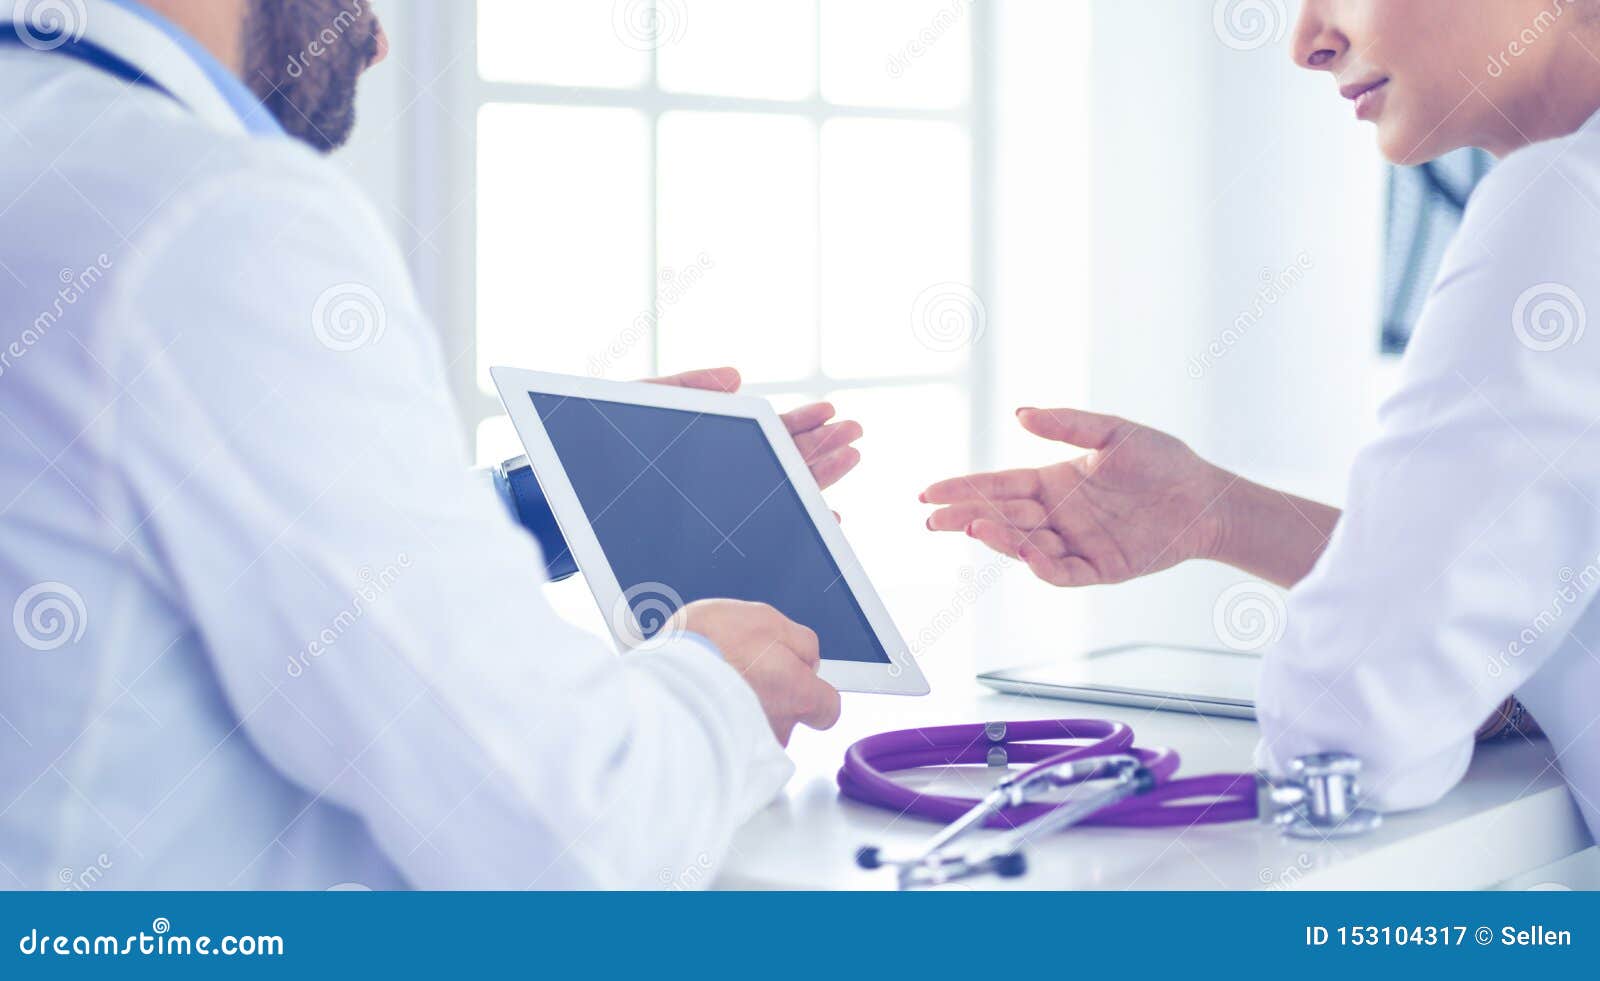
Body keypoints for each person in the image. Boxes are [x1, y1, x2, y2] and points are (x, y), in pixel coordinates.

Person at [0, 0, 861, 889]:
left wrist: (543, 503)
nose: (371, 41)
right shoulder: (210, 211)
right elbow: (566, 834)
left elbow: (171, 554)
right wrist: (720, 686)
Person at [924, 0, 1600, 838]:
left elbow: (1353, 742)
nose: (1307, 44)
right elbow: (1554, 590)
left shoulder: (1566, 204)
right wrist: (1220, 512)